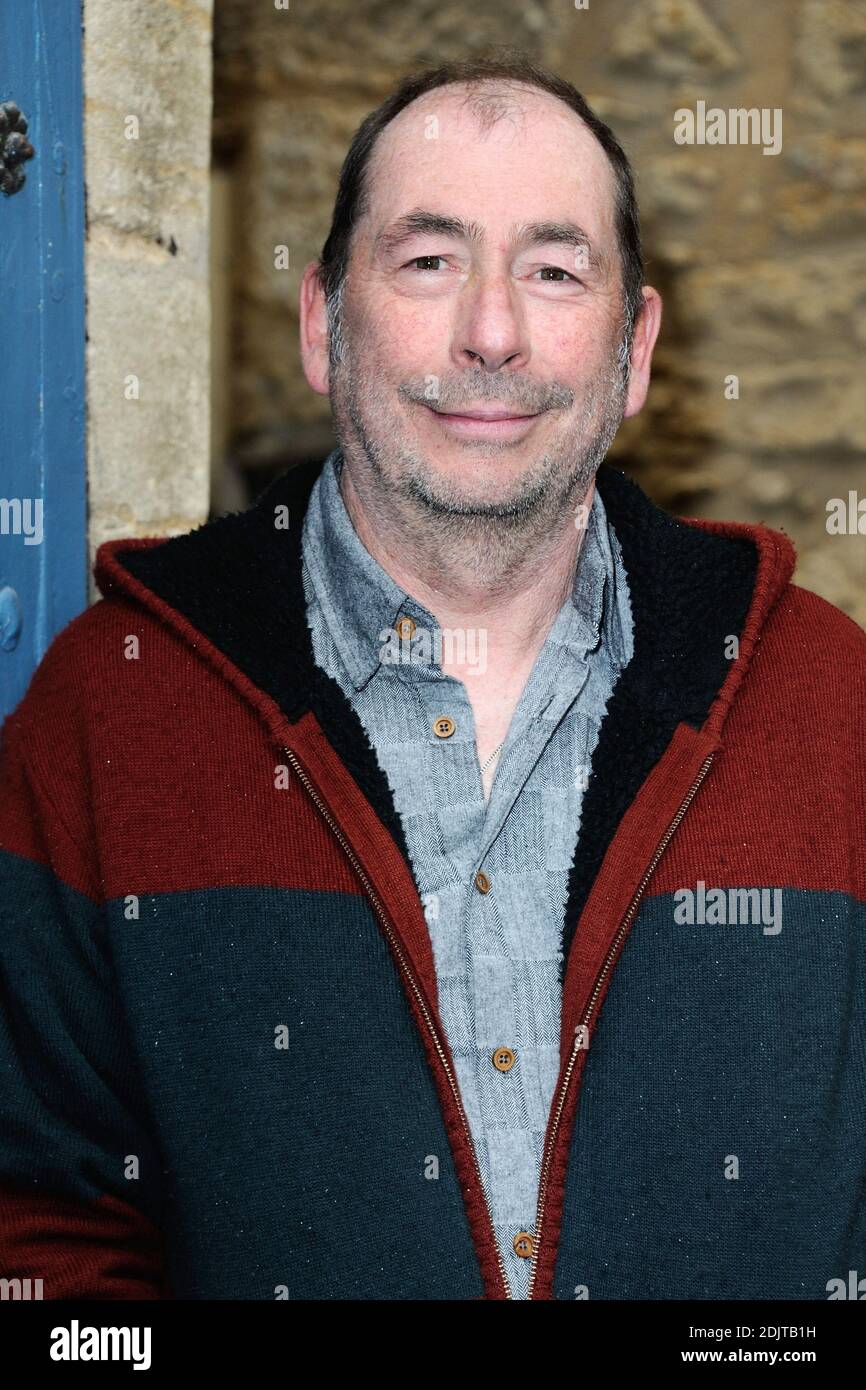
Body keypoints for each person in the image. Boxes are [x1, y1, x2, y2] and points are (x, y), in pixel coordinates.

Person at [1, 53, 863, 1302]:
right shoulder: (110, 716)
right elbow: (37, 1232)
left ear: (634, 350)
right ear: (321, 323)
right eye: (427, 260)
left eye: (554, 270)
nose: (492, 331)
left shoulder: (829, 709)